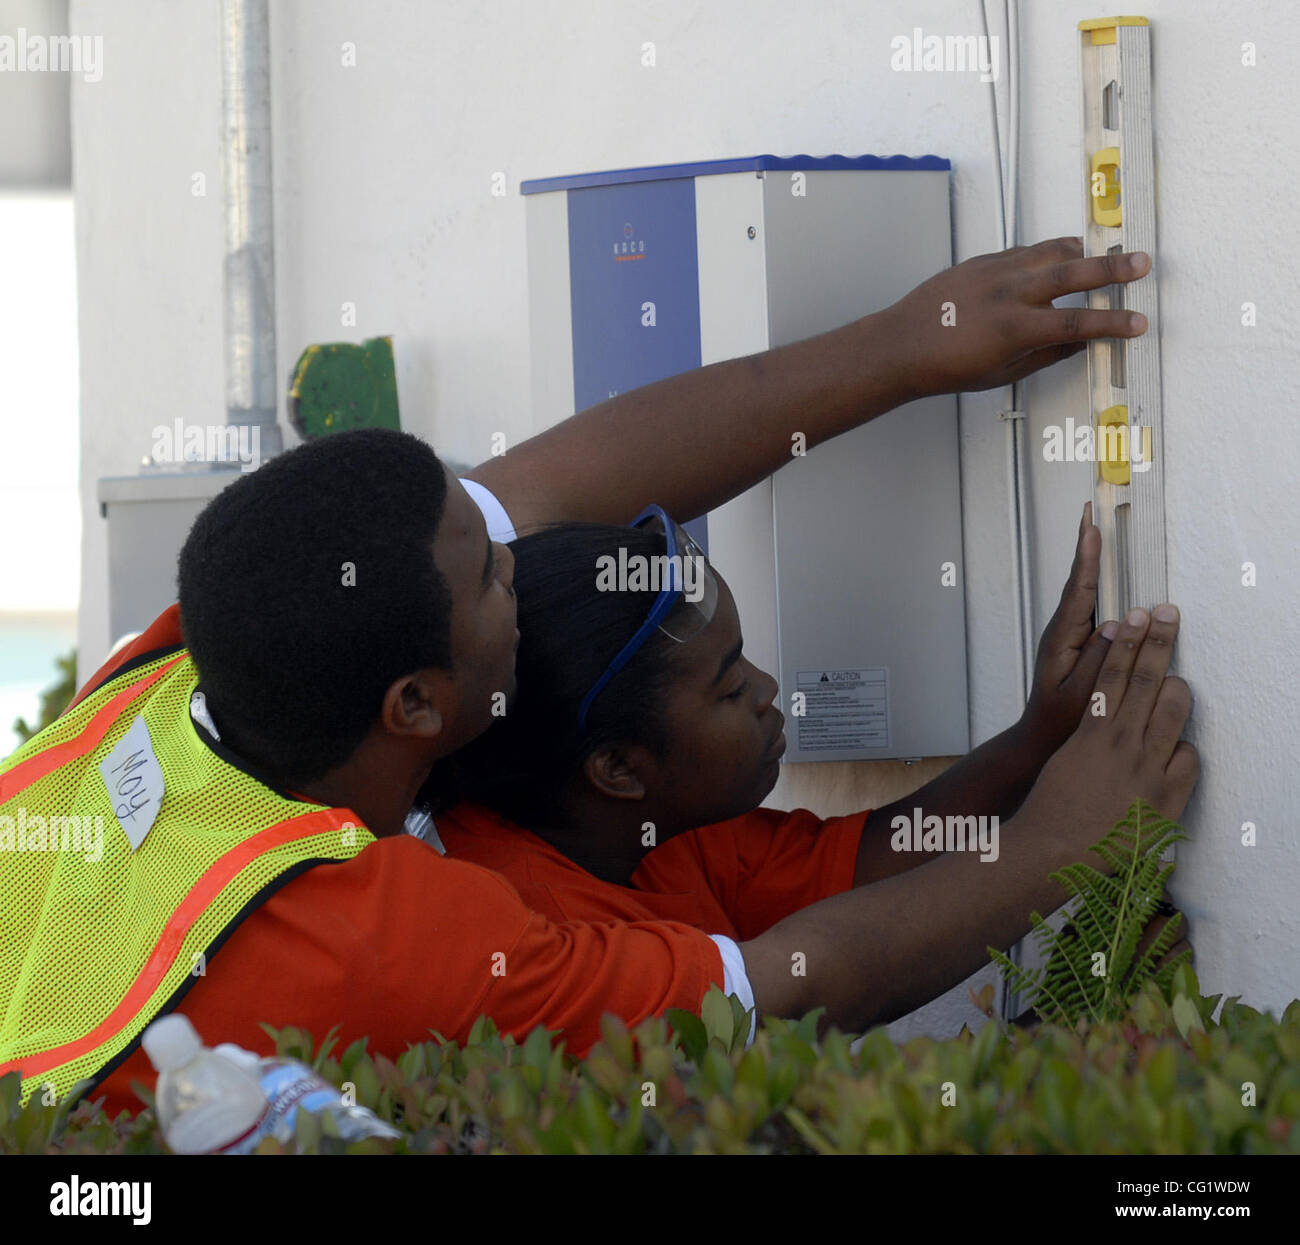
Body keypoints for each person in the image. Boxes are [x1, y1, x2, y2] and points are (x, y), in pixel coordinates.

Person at [0, 240, 1188, 1119]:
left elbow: (563, 478)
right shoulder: (396, 933)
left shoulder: (185, 663)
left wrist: (903, 347)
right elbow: (769, 993)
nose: (522, 561)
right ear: (415, 706)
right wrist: (1065, 843)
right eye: (491, 583)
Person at [421, 508, 1194, 1008]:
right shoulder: (530, 933)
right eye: (728, 689)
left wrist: (1037, 740)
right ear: (619, 769)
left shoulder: (636, 828)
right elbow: (813, 989)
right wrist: (1059, 840)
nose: (767, 690)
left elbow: (869, 865)